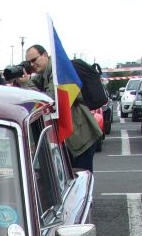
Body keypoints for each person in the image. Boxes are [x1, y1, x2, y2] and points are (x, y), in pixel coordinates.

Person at [25, 43, 102, 171]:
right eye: (29, 63)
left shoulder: (58, 72)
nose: (32, 65)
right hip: (73, 134)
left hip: (80, 136)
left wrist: (28, 83)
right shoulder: (46, 72)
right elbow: (34, 85)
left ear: (45, 55)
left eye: (34, 60)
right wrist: (27, 81)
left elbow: (50, 100)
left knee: (80, 178)